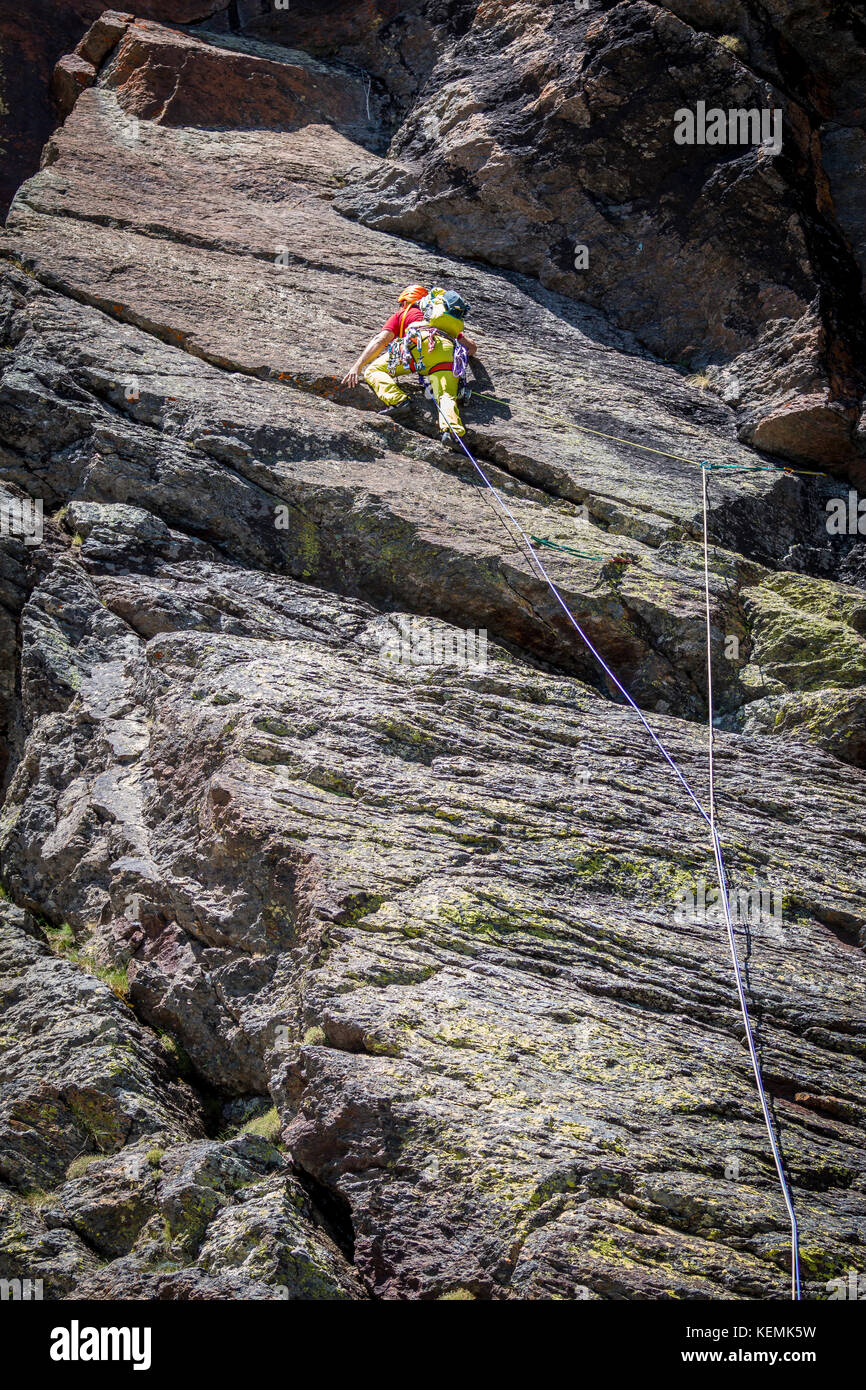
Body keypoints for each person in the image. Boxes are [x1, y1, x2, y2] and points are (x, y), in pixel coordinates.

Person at [341, 284, 476, 446]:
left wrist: (357, 366)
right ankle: (451, 432)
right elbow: (472, 347)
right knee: (446, 395)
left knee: (374, 370)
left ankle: (399, 401)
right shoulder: (436, 318)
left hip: (419, 345)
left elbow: (381, 340)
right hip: (446, 350)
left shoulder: (403, 313)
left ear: (405, 300)